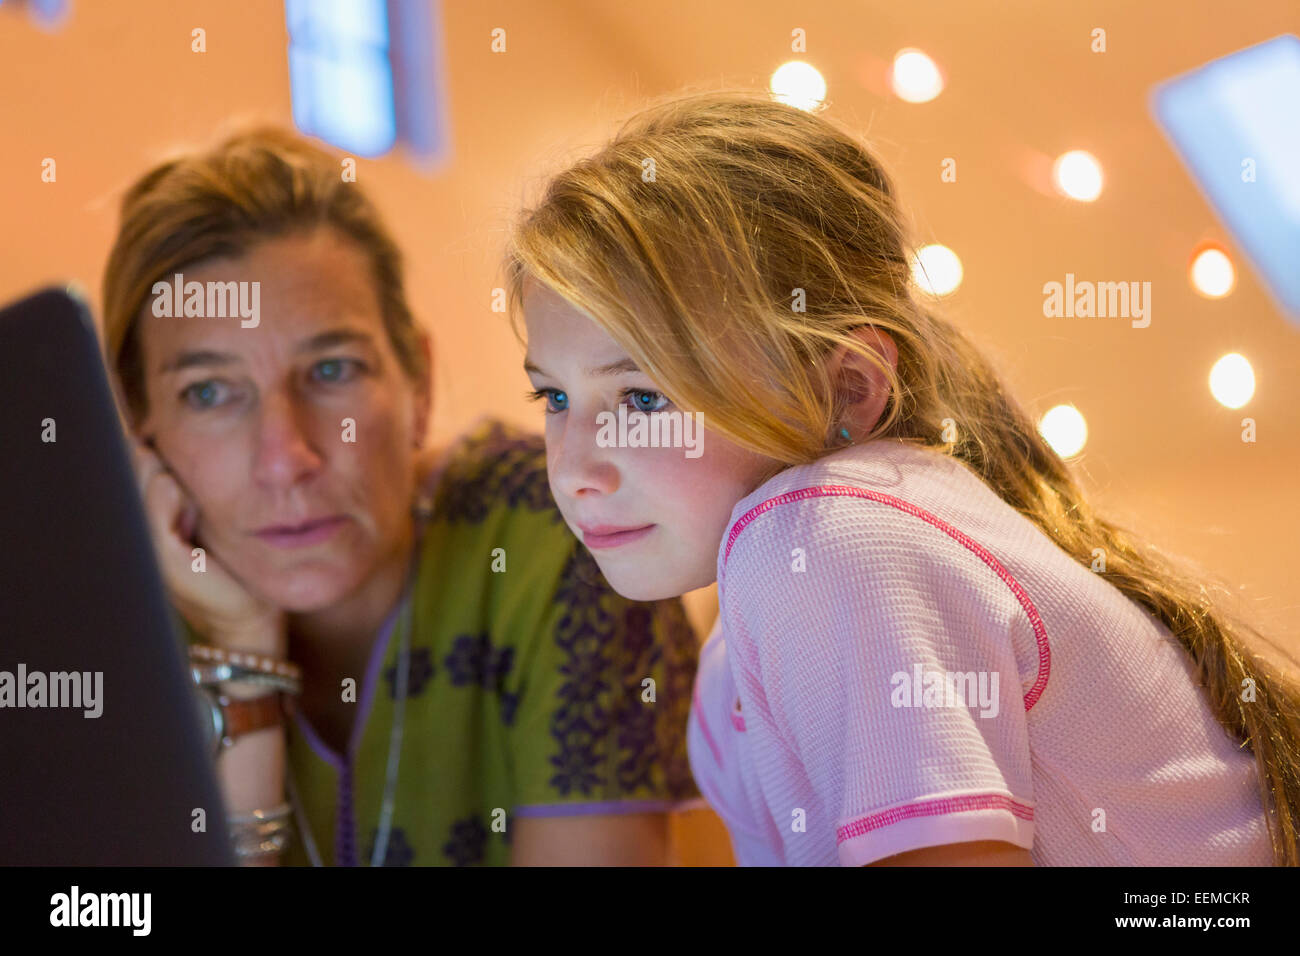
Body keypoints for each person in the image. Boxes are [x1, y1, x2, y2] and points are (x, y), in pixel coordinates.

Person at [503, 89, 1300, 866]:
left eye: (643, 398)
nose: (574, 467)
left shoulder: (824, 538)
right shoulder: (741, 652)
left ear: (846, 387)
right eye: (556, 396)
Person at [100, 126, 701, 866]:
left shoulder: (561, 539)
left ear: (416, 383)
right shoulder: (102, 641)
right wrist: (241, 666)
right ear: (137, 427)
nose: (287, 458)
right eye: (210, 392)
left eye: (331, 372)